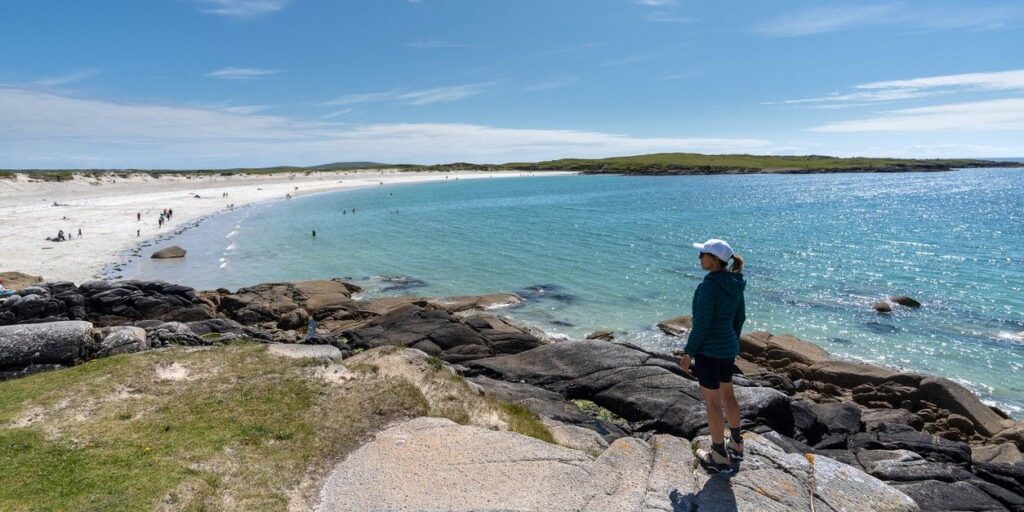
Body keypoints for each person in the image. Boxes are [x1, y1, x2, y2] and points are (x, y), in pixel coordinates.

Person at [677, 238, 746, 473]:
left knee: (713, 403)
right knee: (728, 395)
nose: (700, 258)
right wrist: (732, 343)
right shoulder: (736, 283)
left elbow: (702, 326)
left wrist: (689, 353)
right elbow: (739, 319)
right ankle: (736, 444)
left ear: (714, 260)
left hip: (708, 352)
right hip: (727, 349)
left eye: (703, 254)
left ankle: (718, 455)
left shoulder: (708, 287)